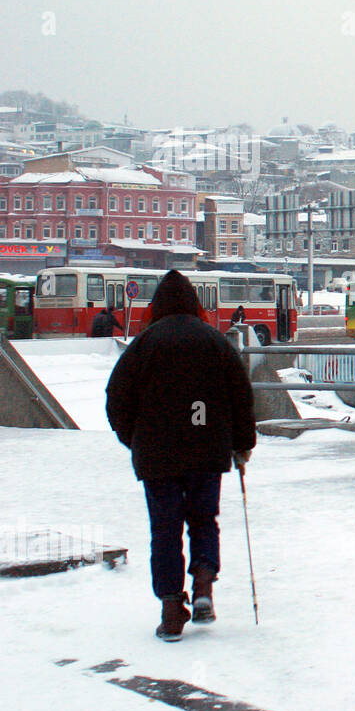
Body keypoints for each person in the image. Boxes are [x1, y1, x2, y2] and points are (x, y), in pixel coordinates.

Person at [105, 270, 255, 642]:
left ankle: (172, 609)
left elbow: (116, 398)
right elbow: (241, 396)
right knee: (204, 519)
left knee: (165, 529)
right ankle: (203, 586)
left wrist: (134, 438)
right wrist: (242, 443)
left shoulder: (145, 343)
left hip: (157, 455)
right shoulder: (215, 341)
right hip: (208, 449)